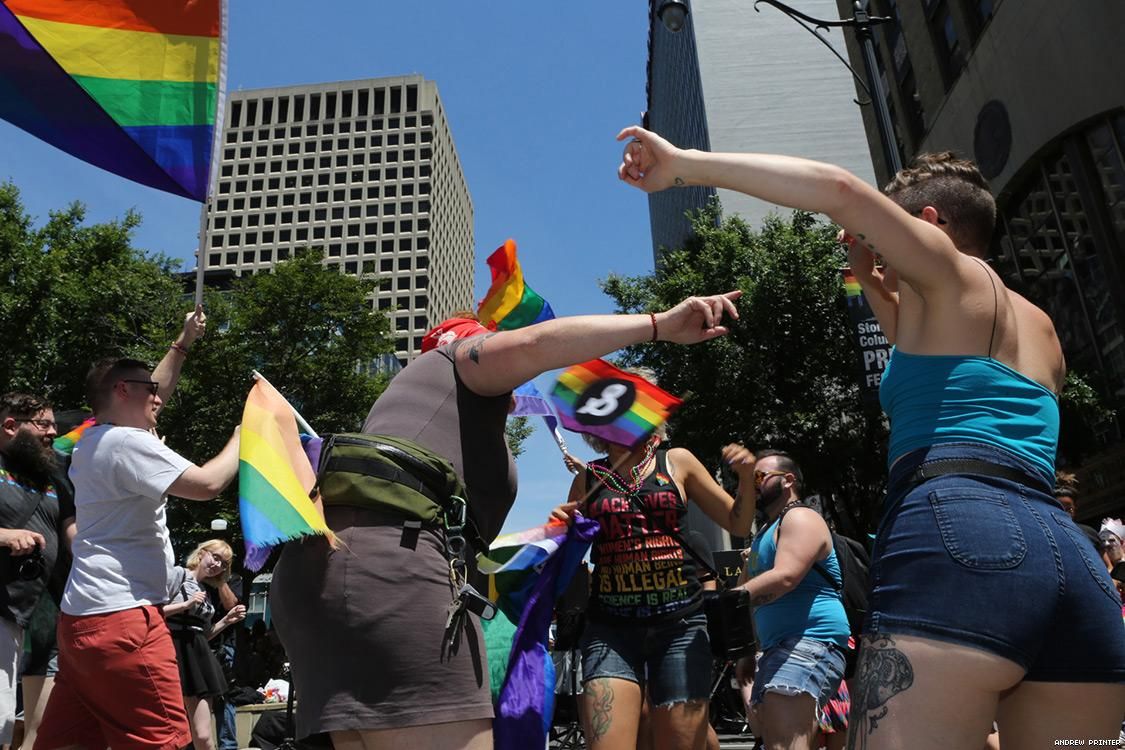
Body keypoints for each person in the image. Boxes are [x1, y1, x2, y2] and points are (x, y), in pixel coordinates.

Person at [613, 126, 1125, 746]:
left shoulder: (950, 274)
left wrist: (682, 166)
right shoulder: (1034, 325)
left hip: (958, 529)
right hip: (1070, 555)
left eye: (892, 230)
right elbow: (918, 342)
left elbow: (837, 189)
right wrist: (864, 268)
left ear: (928, 226)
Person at [270, 291, 742, 750]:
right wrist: (659, 325)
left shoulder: (458, 426)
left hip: (342, 575)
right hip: (394, 571)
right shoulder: (454, 361)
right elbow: (536, 344)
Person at [34, 358, 240, 750]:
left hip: (79, 623)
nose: (157, 395)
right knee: (161, 742)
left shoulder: (90, 441)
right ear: (122, 390)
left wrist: (182, 346)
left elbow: (150, 396)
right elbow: (208, 484)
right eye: (148, 388)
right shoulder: (128, 442)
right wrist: (244, 437)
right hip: (126, 621)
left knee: (67, 743)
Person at [546, 406, 757, 750]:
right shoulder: (588, 478)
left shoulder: (677, 461)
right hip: (609, 630)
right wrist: (559, 528)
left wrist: (746, 479)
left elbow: (737, 523)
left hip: (680, 626)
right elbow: (568, 553)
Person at [731, 451, 847, 750]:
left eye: (759, 476)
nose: (751, 484)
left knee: (784, 744)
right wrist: (746, 651)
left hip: (809, 641)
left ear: (788, 480)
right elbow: (748, 598)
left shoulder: (801, 517)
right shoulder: (763, 535)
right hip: (776, 648)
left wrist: (727, 598)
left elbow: (786, 577)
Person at [0, 394, 73, 747]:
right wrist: (4, 535)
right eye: (43, 424)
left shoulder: (53, 475)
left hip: (30, 615)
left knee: (19, 728)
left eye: (55, 425)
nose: (53, 432)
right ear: (10, 426)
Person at [165, 539, 248, 750]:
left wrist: (227, 620)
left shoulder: (207, 589)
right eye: (216, 557)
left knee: (202, 735)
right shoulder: (177, 574)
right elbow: (151, 612)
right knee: (171, 732)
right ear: (202, 553)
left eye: (223, 563)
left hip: (198, 656)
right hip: (172, 653)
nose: (217, 564)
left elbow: (204, 634)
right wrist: (186, 604)